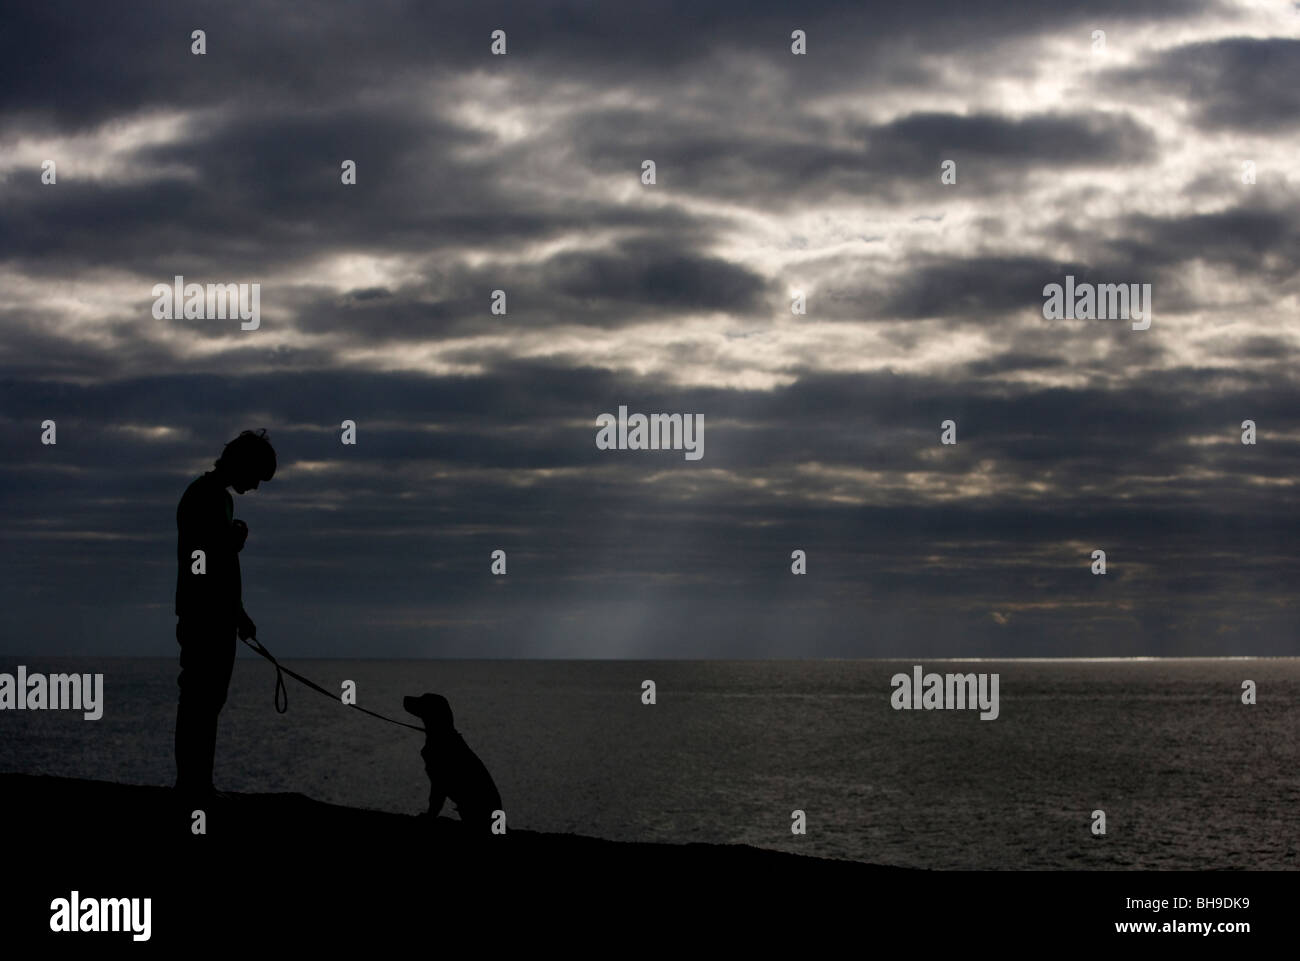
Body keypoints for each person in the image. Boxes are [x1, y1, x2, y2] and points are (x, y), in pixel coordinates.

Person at [173, 429, 276, 800]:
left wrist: (237, 611)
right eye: (257, 476)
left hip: (212, 614)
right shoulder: (207, 497)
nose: (257, 487)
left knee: (205, 701)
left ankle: (196, 783)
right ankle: (193, 785)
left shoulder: (216, 498)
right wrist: (229, 545)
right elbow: (202, 562)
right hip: (205, 617)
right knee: (201, 700)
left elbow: (210, 561)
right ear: (242, 465)